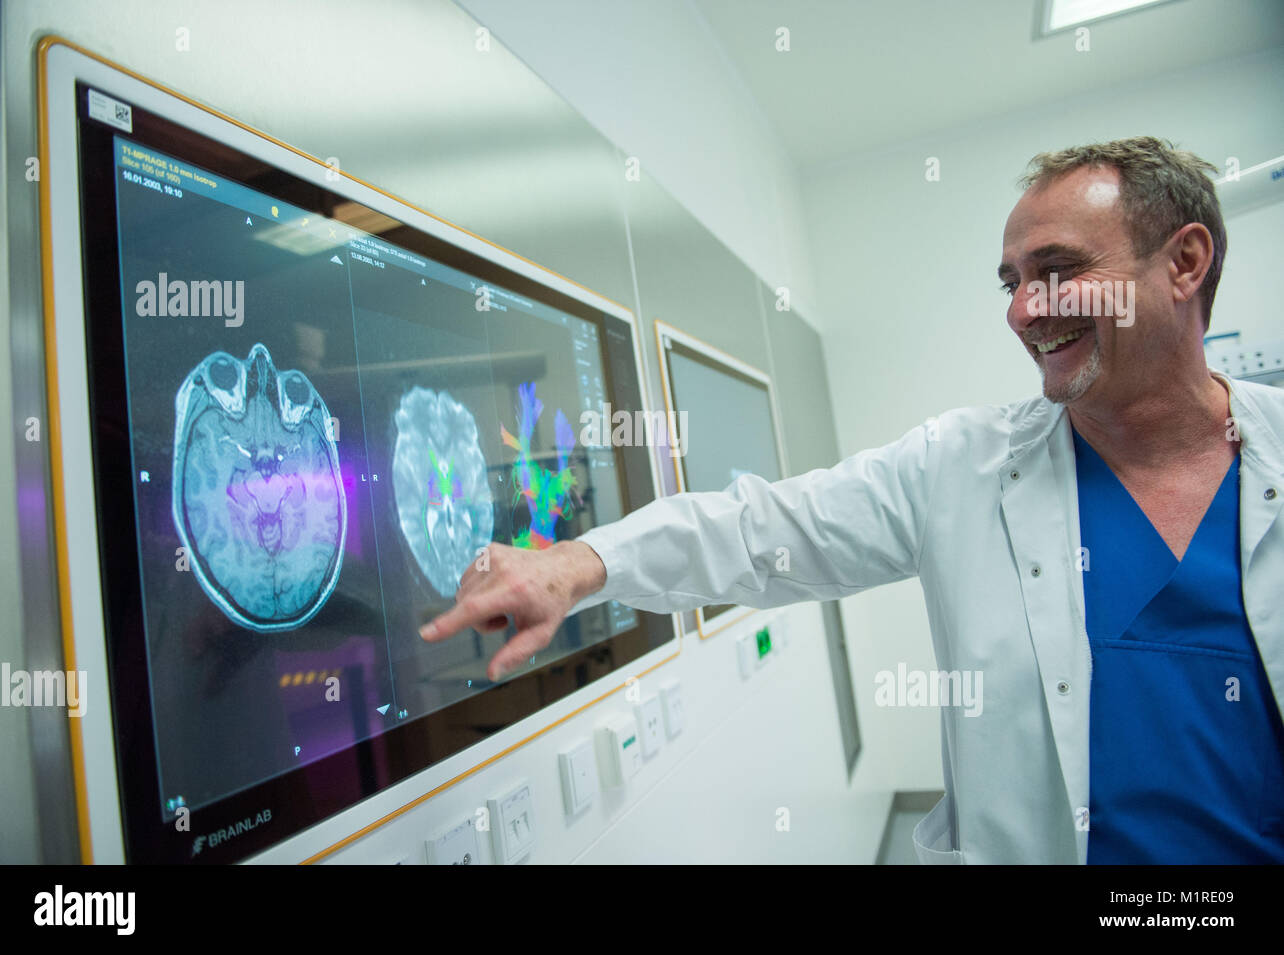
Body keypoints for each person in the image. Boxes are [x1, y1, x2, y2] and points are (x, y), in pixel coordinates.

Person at [419, 137, 1284, 864]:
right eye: (1011, 281)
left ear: (1184, 262)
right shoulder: (961, 466)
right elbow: (761, 529)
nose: (1023, 311)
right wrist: (577, 564)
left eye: (1057, 271)